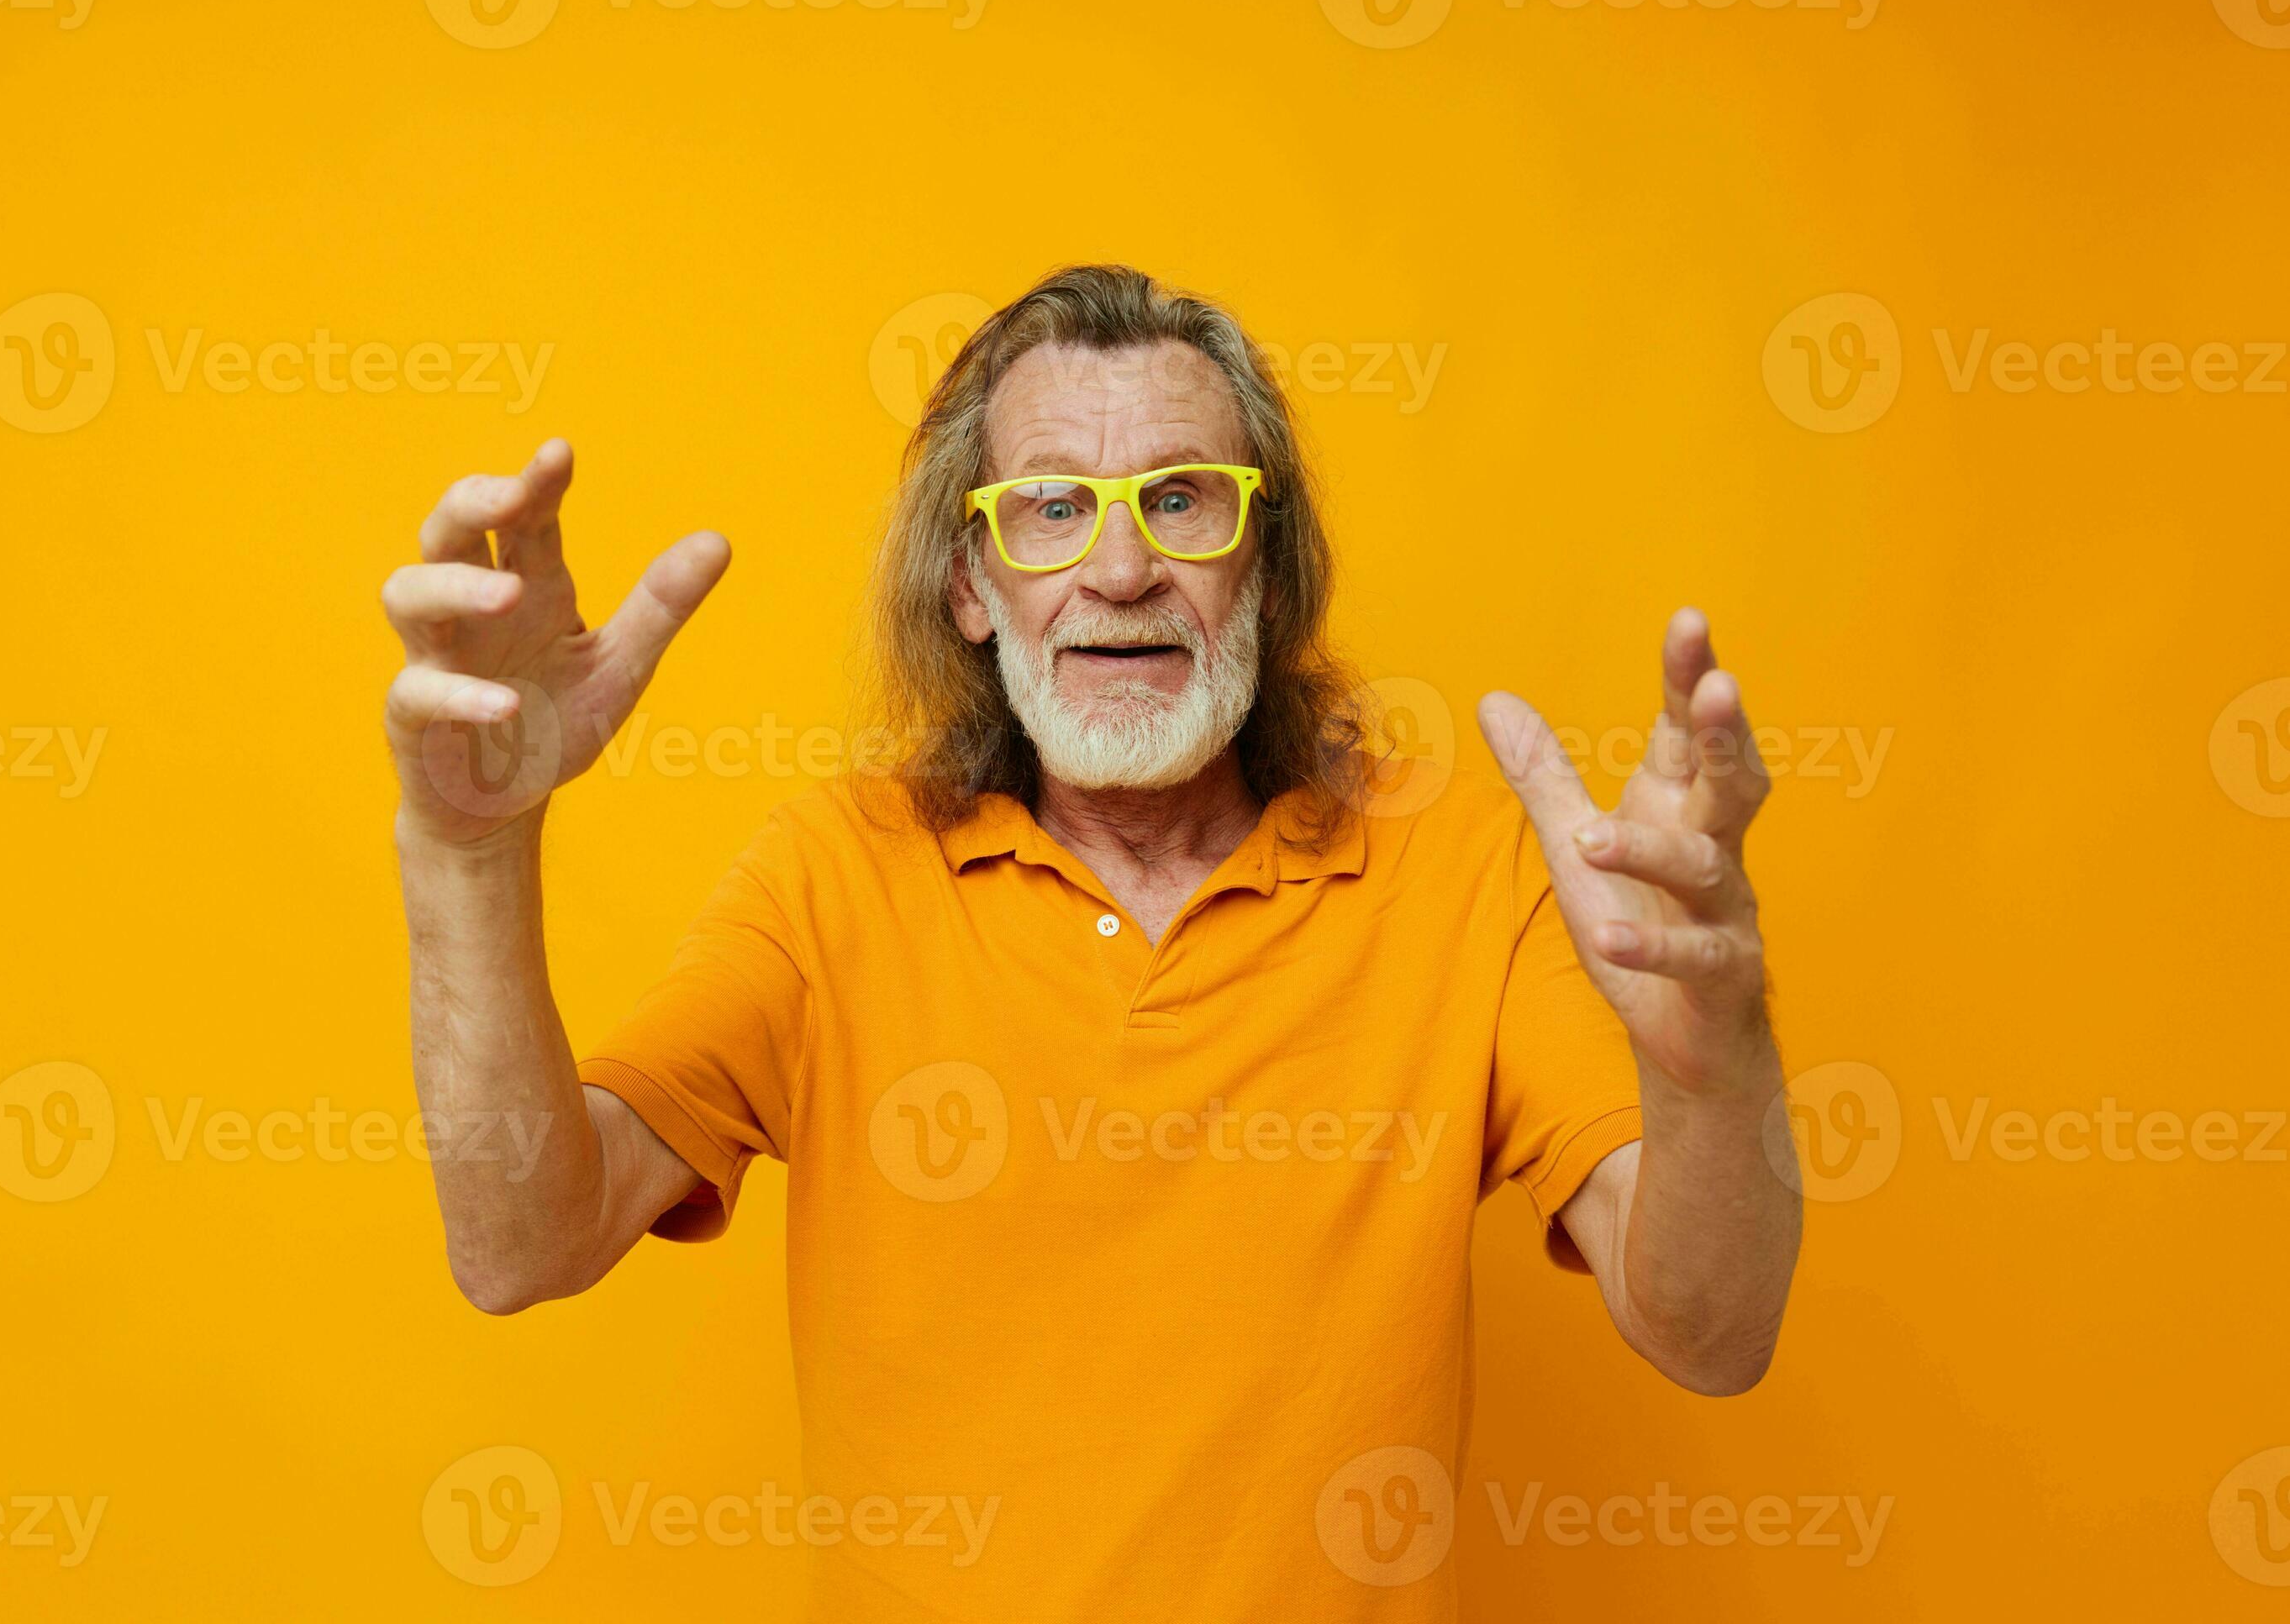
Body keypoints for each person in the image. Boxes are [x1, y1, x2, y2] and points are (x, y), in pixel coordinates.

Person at [379, 265, 1800, 1618]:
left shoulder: (1461, 871)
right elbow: (522, 1244)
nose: (1121, 568)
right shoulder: (835, 878)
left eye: (1185, 501)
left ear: (1268, 564)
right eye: (1052, 509)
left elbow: (1712, 1333)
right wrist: (470, 851)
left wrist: (1710, 1068)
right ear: (972, 588)